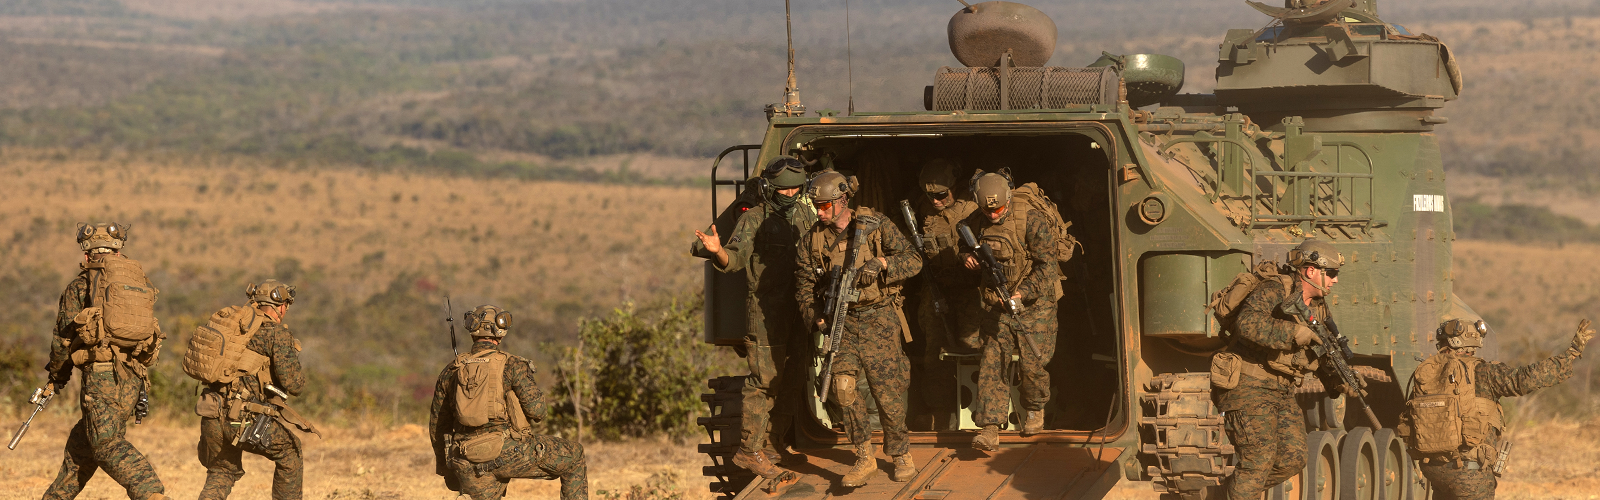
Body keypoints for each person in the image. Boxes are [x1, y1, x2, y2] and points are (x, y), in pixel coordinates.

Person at [795, 172, 923, 486]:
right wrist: (817, 317)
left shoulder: (875, 225)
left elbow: (913, 259)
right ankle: (864, 456)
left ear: (842, 201)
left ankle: (900, 453)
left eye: (824, 205)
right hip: (843, 322)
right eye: (815, 205)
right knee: (842, 388)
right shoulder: (811, 241)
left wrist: (882, 263)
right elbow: (804, 287)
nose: (819, 211)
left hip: (879, 318)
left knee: (887, 392)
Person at [692, 156, 816, 479]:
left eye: (795, 190)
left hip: (798, 308)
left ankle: (773, 444)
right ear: (769, 189)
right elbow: (733, 260)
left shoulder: (804, 214)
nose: (789, 195)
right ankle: (749, 450)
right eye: (783, 190)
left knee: (793, 377)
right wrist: (718, 250)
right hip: (766, 311)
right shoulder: (754, 219)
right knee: (763, 381)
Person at [39, 223, 169, 500]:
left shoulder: (81, 285)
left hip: (101, 377)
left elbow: (63, 339)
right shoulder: (139, 283)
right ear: (117, 252)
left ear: (87, 254)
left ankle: (151, 494)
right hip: (133, 377)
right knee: (82, 447)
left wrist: (56, 378)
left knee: (106, 444)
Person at [1398, 318, 1592, 500]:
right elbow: (1525, 379)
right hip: (1469, 471)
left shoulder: (1428, 372)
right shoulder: (1483, 372)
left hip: (1433, 469)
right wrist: (1571, 354)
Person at [1216, 239, 1350, 499]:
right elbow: (1246, 323)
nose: (1335, 280)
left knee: (1293, 457)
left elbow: (1322, 350)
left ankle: (1224, 495)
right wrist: (1293, 332)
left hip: (1281, 390)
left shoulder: (1318, 307)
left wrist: (1337, 381)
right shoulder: (1275, 289)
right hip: (1248, 385)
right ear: (1311, 271)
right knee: (1258, 460)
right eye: (1332, 273)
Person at [430, 305, 587, 500]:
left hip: (464, 458)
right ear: (501, 332)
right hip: (507, 453)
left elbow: (438, 425)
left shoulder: (451, 370)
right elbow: (538, 412)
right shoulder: (513, 364)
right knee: (575, 455)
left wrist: (446, 468)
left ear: (472, 331)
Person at [958, 171, 1061, 449]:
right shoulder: (975, 221)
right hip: (996, 304)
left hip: (1035, 306)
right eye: (987, 210)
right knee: (992, 363)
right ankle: (989, 428)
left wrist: (1022, 293)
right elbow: (962, 241)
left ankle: (1035, 408)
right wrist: (966, 256)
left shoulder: (1031, 220)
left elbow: (1048, 267)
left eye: (999, 209)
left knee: (1032, 364)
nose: (993, 215)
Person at [195, 280, 317, 500]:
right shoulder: (275, 333)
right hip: (242, 420)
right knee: (291, 452)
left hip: (211, 414)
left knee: (223, 470)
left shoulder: (232, 327)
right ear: (281, 306)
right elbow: (295, 385)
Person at [909, 159, 981, 429]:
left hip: (970, 290)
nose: (936, 201)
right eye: (931, 196)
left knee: (973, 349)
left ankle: (979, 412)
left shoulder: (973, 207)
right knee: (934, 352)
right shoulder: (922, 208)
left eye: (941, 195)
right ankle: (940, 412)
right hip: (937, 287)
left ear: (954, 187)